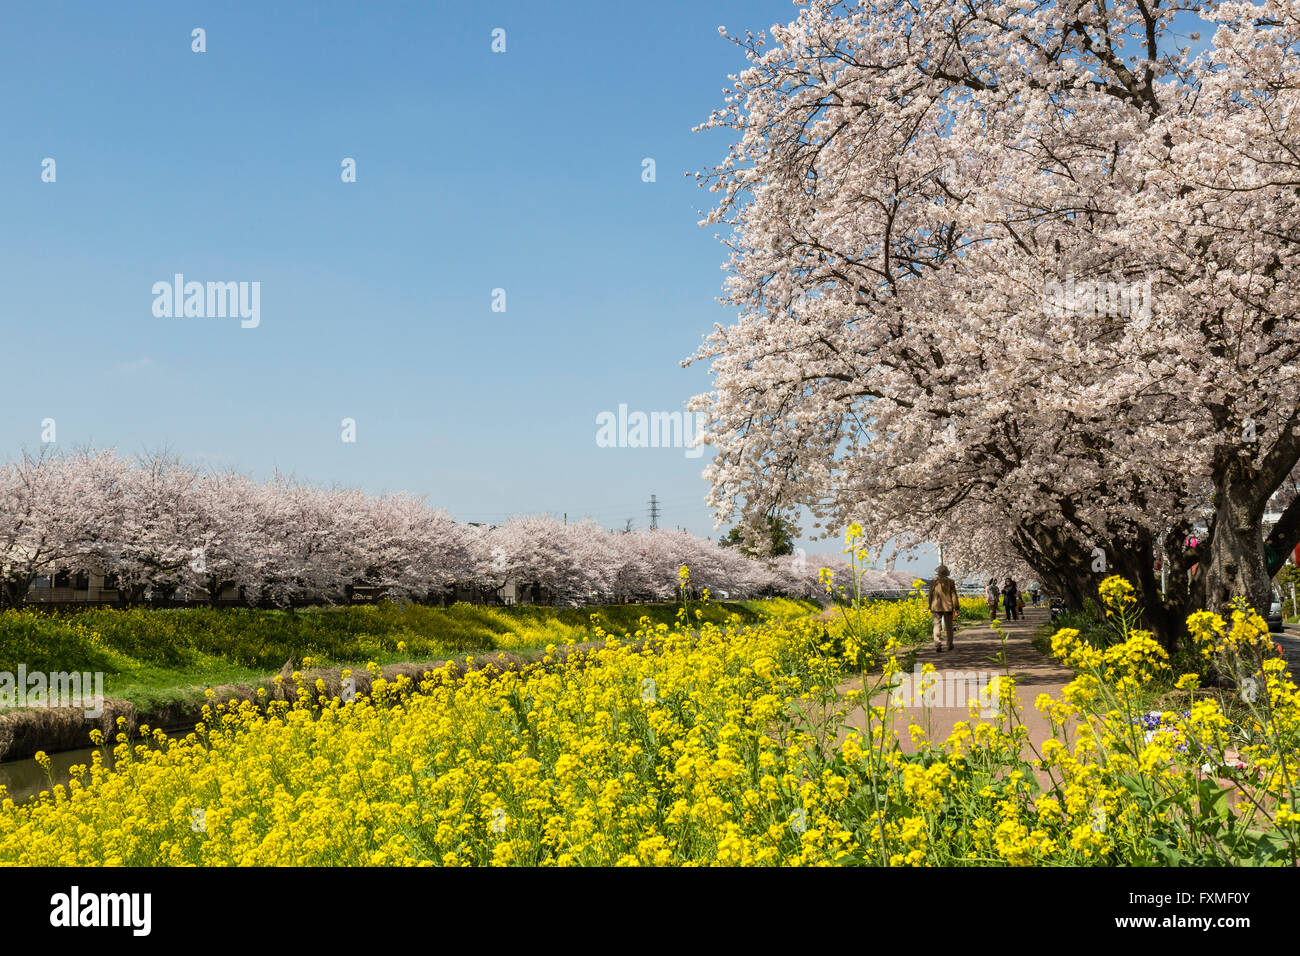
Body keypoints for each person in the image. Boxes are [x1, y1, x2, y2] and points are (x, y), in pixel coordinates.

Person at [928, 565, 960, 653]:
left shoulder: (933, 582)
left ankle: (937, 643)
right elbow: (954, 595)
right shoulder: (950, 582)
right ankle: (949, 644)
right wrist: (956, 607)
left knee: (936, 625)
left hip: (936, 606)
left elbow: (930, 595)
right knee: (949, 626)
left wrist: (929, 605)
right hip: (948, 607)